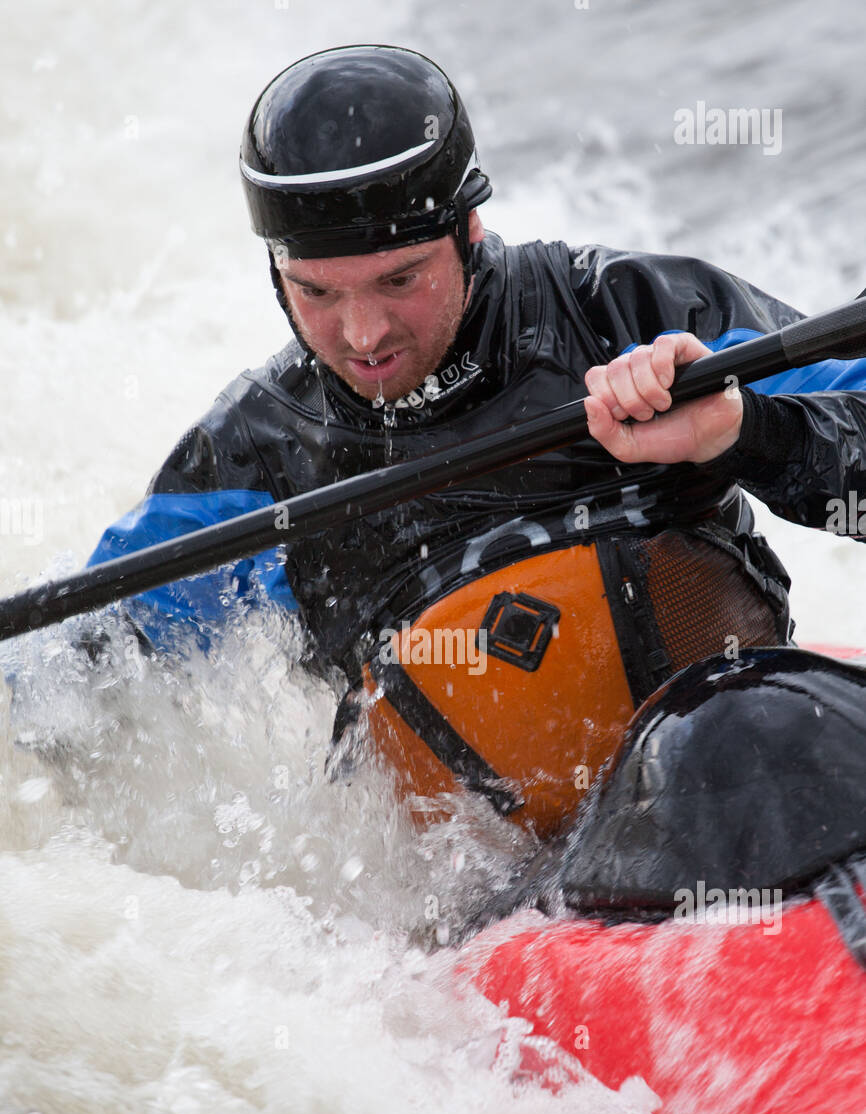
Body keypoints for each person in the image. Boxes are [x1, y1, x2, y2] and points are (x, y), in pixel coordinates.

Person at [87, 44, 866, 836]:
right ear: (276, 270)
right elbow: (81, 672)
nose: (363, 335)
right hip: (480, 899)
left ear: (468, 228)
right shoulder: (256, 452)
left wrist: (741, 432)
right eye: (316, 292)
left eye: (400, 279)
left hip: (742, 788)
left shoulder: (629, 314)